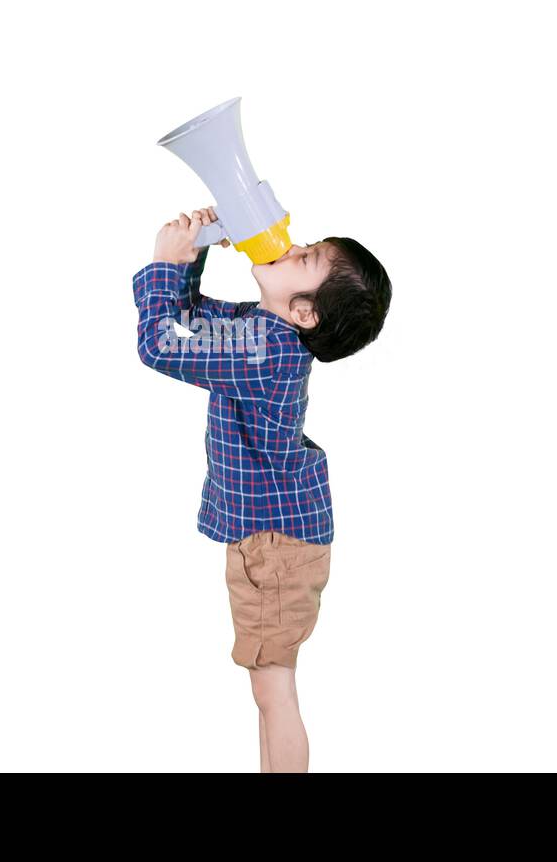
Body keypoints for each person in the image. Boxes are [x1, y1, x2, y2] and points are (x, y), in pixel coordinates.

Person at [132, 207, 392, 772]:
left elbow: (158, 345)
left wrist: (162, 265)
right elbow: (192, 318)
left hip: (275, 546)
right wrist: (193, 251)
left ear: (303, 311)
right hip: (274, 540)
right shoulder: (264, 331)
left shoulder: (266, 349)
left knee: (275, 694)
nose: (290, 248)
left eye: (304, 258)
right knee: (268, 691)